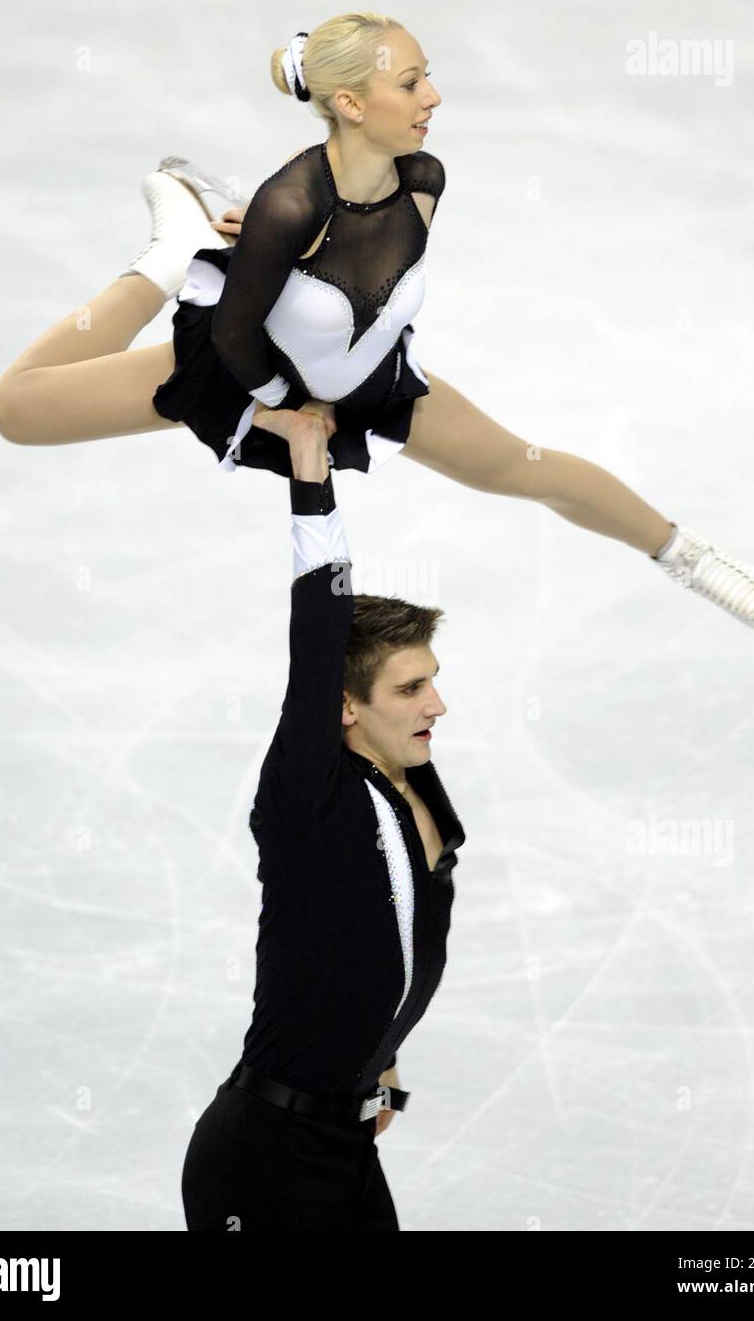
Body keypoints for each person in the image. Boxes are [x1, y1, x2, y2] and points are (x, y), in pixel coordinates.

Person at [0, 9, 754, 637]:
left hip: (367, 380)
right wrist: (286, 401)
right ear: (350, 102)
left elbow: (377, 284)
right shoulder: (287, 204)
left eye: (426, 77)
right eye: (411, 82)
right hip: (248, 375)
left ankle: (684, 555)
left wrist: (340, 370)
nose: (433, 96)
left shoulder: (423, 178)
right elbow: (237, 336)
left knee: (521, 467)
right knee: (14, 413)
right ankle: (171, 253)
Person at [181, 399, 464, 1231]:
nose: (438, 704)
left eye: (432, 679)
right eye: (410, 689)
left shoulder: (417, 784)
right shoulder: (309, 798)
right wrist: (312, 471)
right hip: (263, 1160)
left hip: (346, 1142)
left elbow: (383, 941)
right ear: (342, 707)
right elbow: (318, 628)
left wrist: (380, 1058)